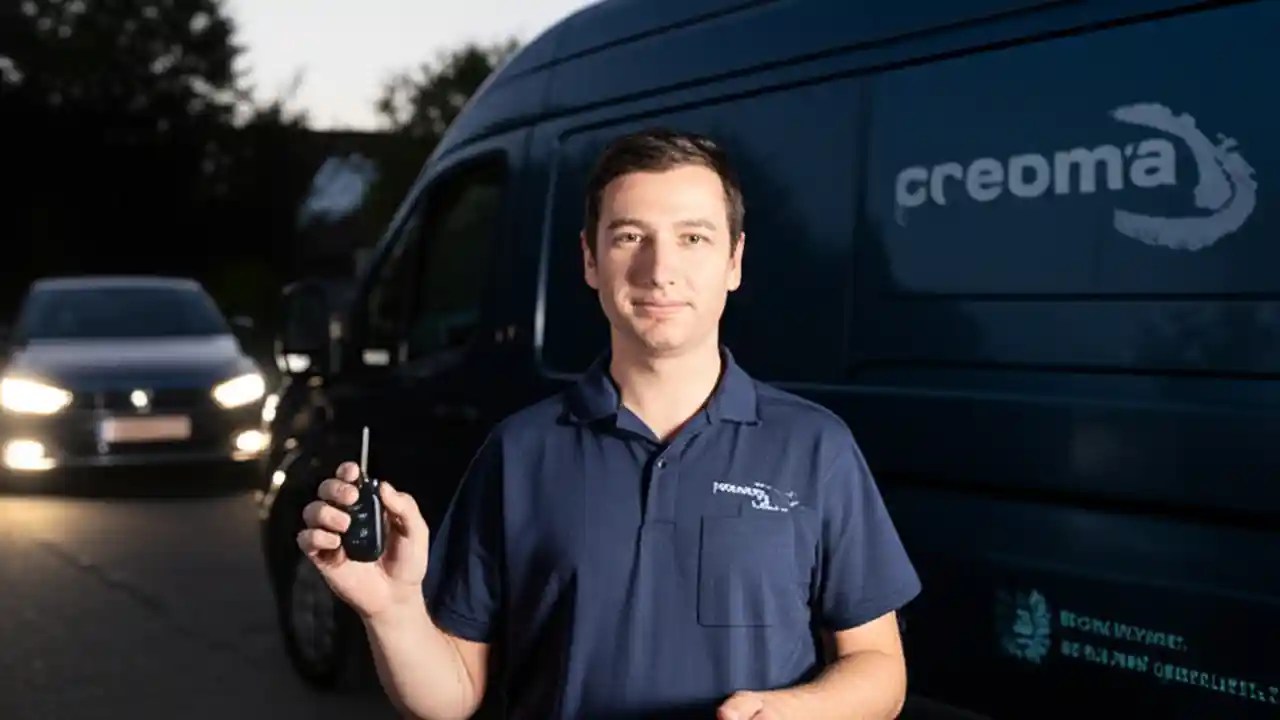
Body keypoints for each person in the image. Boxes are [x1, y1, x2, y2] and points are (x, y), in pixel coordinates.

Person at [298, 128, 923, 720]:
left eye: (693, 238)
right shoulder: (519, 454)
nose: (659, 270)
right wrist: (393, 610)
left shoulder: (816, 448)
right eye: (629, 236)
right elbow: (451, 696)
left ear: (734, 261)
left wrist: (798, 710)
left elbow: (879, 667)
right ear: (590, 259)